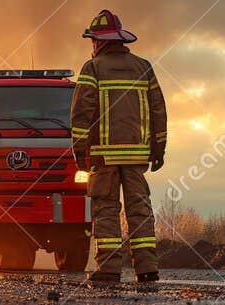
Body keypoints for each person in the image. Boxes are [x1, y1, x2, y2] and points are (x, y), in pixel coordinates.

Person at [70, 9, 167, 286]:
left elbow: (82, 113)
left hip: (103, 157)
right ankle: (147, 268)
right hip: (137, 156)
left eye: (93, 40)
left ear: (100, 42)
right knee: (140, 209)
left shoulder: (93, 69)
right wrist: (159, 148)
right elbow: (158, 110)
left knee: (106, 210)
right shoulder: (144, 67)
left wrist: (79, 150)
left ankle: (110, 268)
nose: (92, 45)